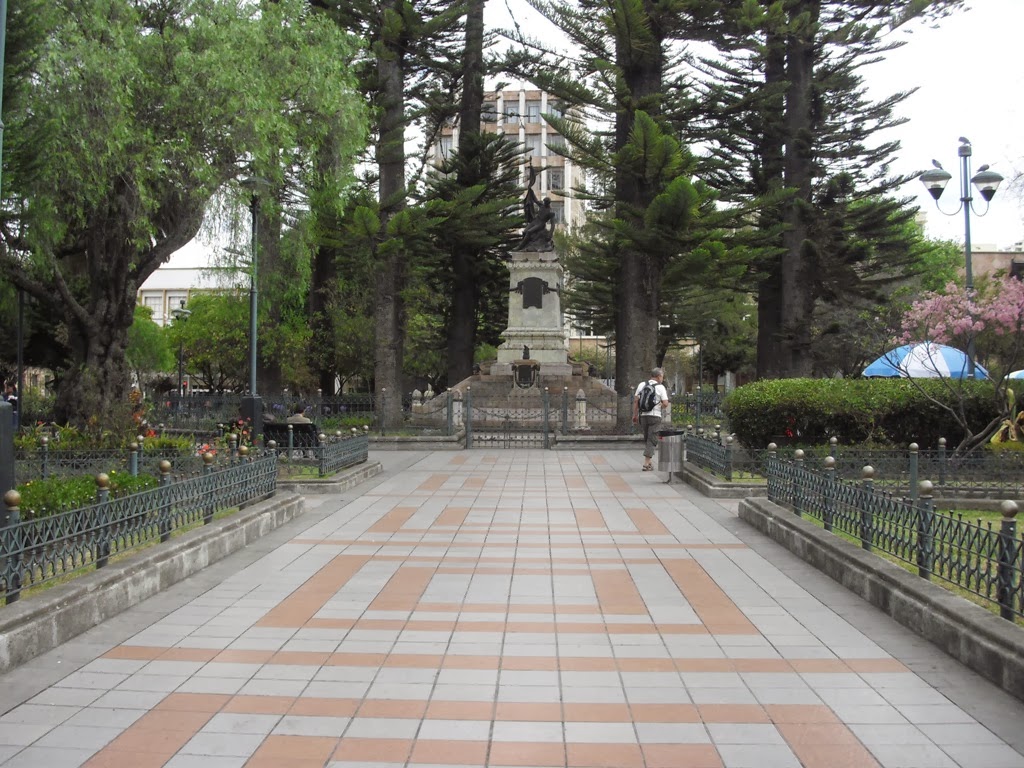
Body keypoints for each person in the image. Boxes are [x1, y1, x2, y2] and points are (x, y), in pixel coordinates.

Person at [632, 367, 670, 472]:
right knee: (652, 439)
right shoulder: (660, 387)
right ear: (658, 376)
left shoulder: (642, 385)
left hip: (643, 416)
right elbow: (666, 403)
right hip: (655, 416)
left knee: (647, 438)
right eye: (662, 376)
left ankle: (649, 462)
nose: (662, 378)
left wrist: (634, 415)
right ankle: (646, 463)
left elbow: (636, 401)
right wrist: (659, 406)